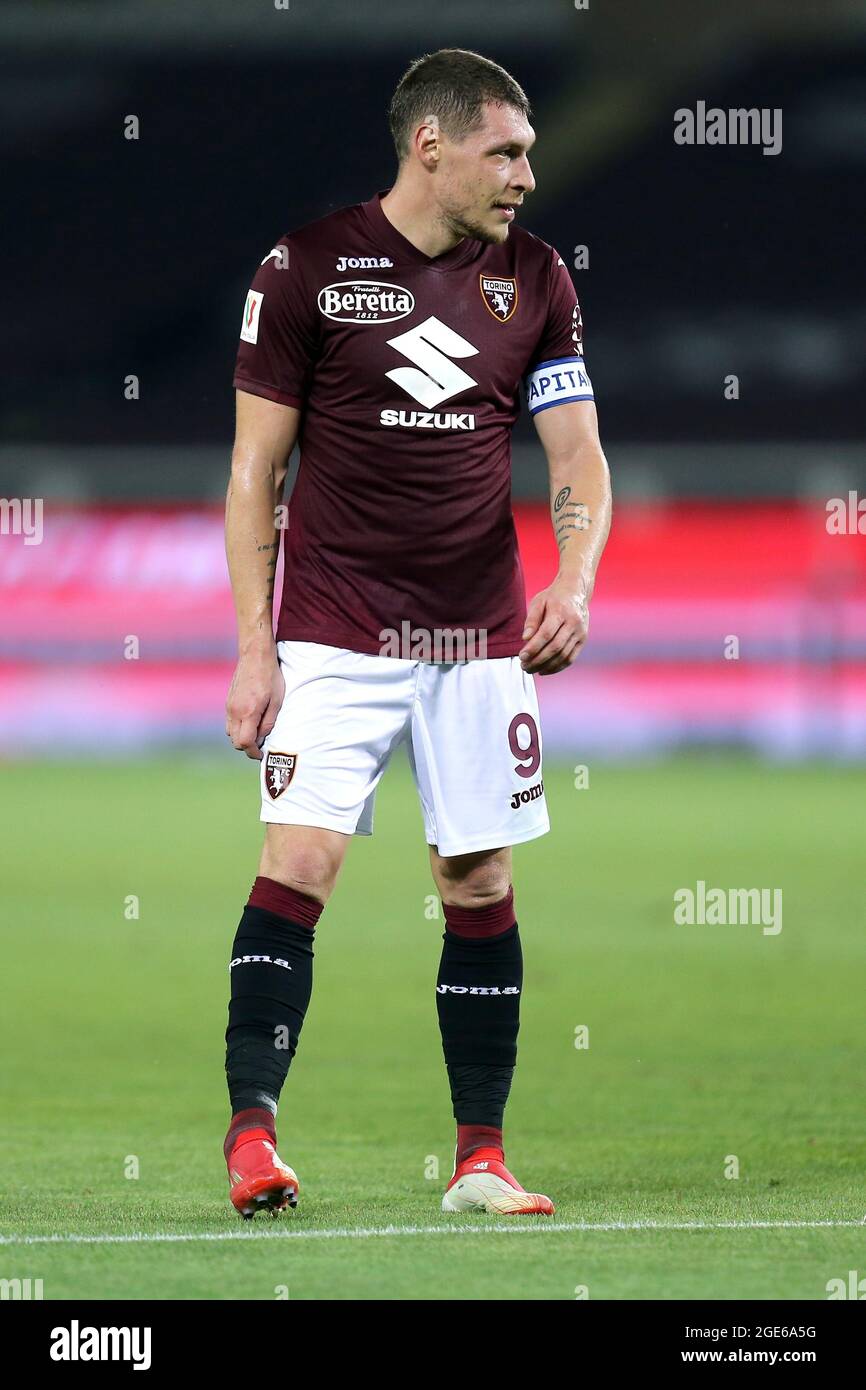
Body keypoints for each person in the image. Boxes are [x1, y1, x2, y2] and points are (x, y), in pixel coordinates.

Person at [223, 48, 611, 1219]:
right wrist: (255, 647)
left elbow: (579, 459)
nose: (525, 177)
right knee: (301, 863)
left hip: (477, 640)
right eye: (505, 151)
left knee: (476, 878)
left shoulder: (535, 279)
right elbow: (256, 472)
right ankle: (252, 1139)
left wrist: (576, 577)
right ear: (428, 146)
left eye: (529, 153)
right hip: (334, 631)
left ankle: (480, 1160)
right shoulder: (305, 268)